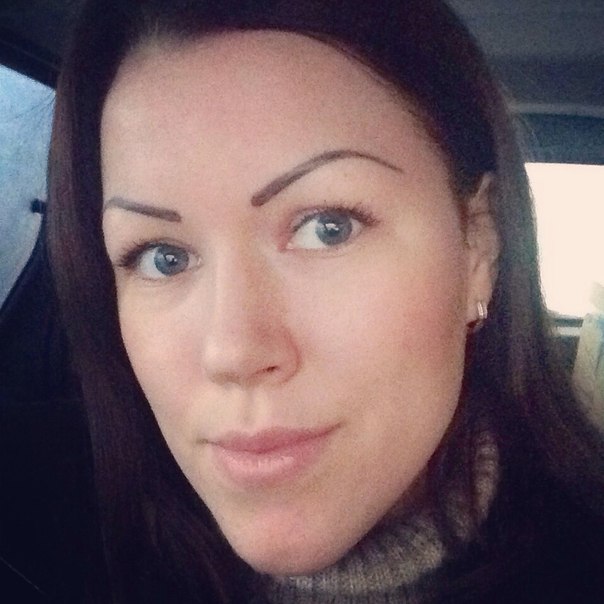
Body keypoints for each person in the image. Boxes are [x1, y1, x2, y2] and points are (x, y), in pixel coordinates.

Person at [47, 0, 604, 602]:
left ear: (478, 248)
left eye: (328, 228)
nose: (234, 352)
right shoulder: (42, 541)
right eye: (163, 258)